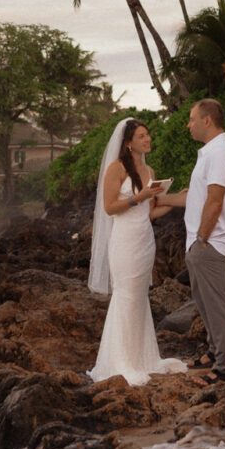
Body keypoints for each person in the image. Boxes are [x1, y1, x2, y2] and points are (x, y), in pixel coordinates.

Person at [86, 117, 187, 385]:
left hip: (145, 241)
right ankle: (121, 362)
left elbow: (150, 212)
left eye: (148, 135)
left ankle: (141, 359)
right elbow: (109, 207)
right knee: (126, 296)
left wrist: (177, 200)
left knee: (140, 298)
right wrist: (136, 198)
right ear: (129, 143)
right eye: (142, 136)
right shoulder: (116, 169)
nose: (147, 139)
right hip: (124, 240)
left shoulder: (149, 170)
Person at [166, 98, 225, 386]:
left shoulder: (220, 153)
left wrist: (202, 239)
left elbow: (215, 200)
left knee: (216, 306)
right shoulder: (210, 152)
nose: (188, 125)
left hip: (209, 243)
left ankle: (223, 369)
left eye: (192, 119)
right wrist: (156, 198)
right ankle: (213, 352)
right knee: (205, 303)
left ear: (207, 120)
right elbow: (195, 198)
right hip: (199, 243)